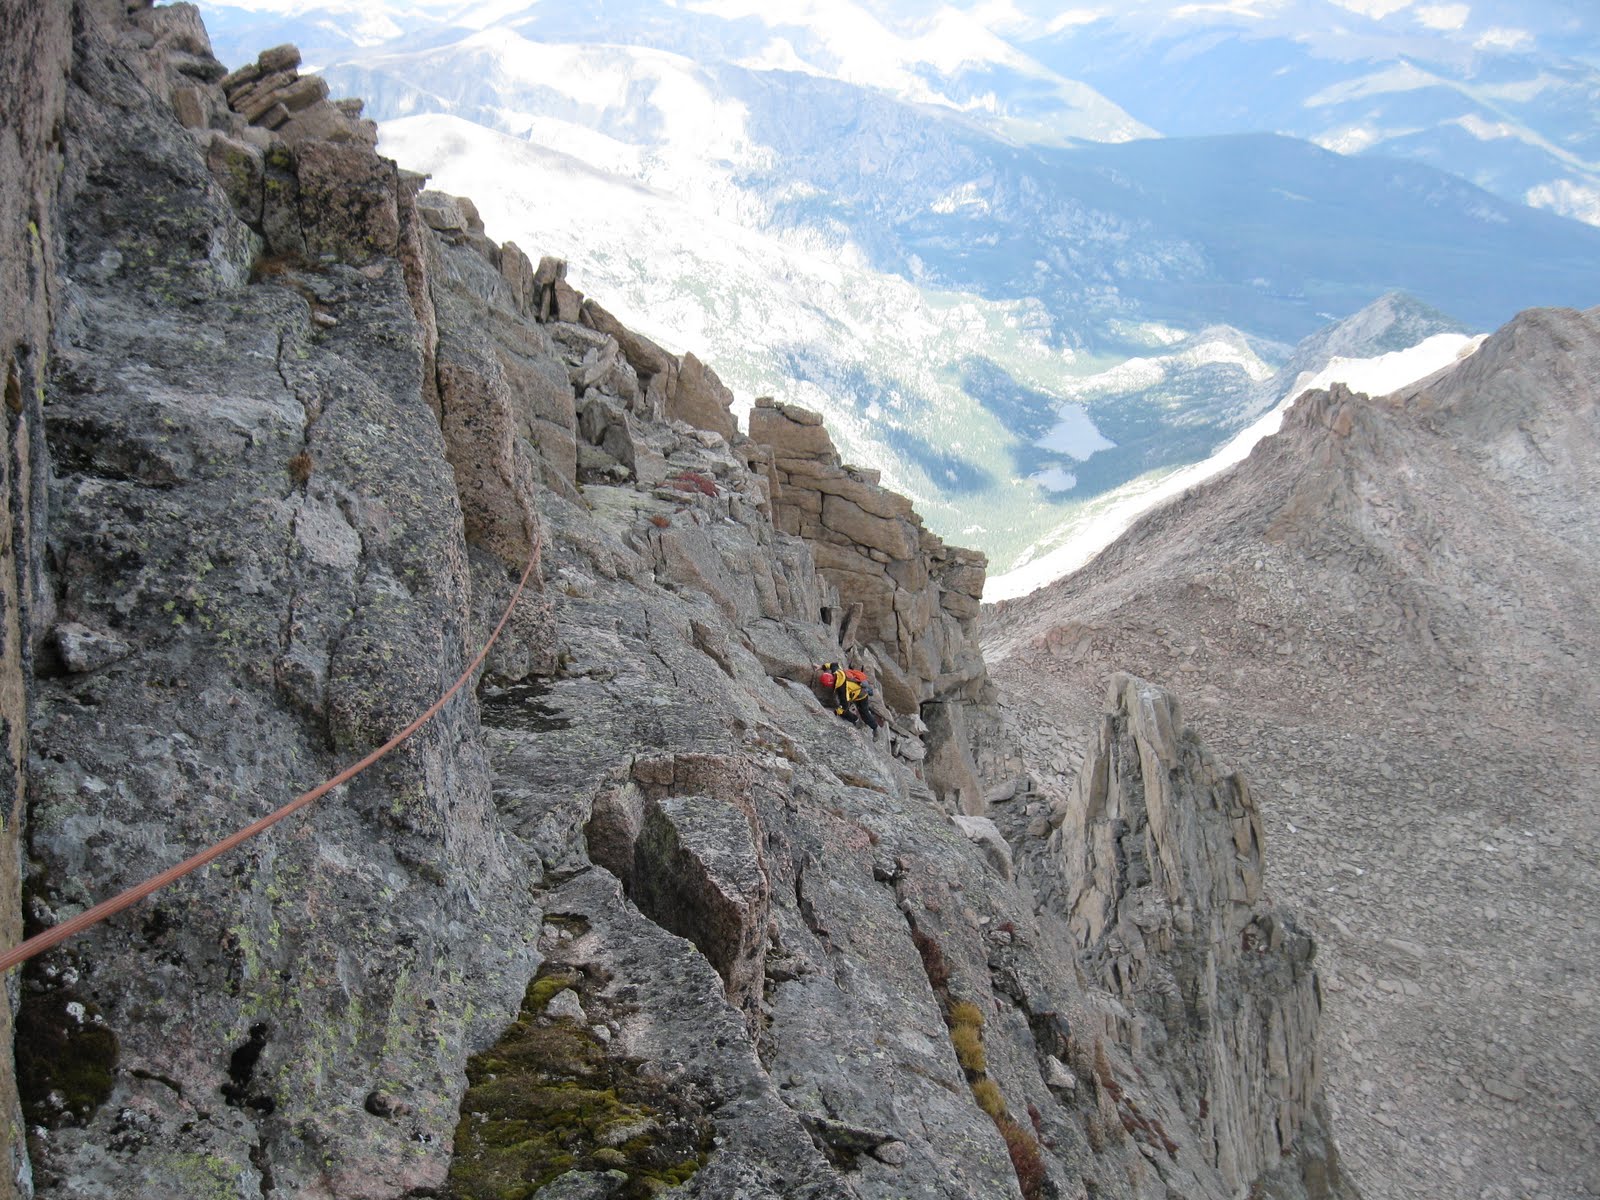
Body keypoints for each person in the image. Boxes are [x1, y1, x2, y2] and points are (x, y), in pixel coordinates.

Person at [818, 661, 879, 731]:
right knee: (847, 706)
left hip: (861, 695)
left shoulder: (842, 690)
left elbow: (844, 706)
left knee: (864, 713)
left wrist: (835, 712)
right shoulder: (837, 673)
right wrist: (822, 667)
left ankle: (873, 727)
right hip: (854, 690)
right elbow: (834, 664)